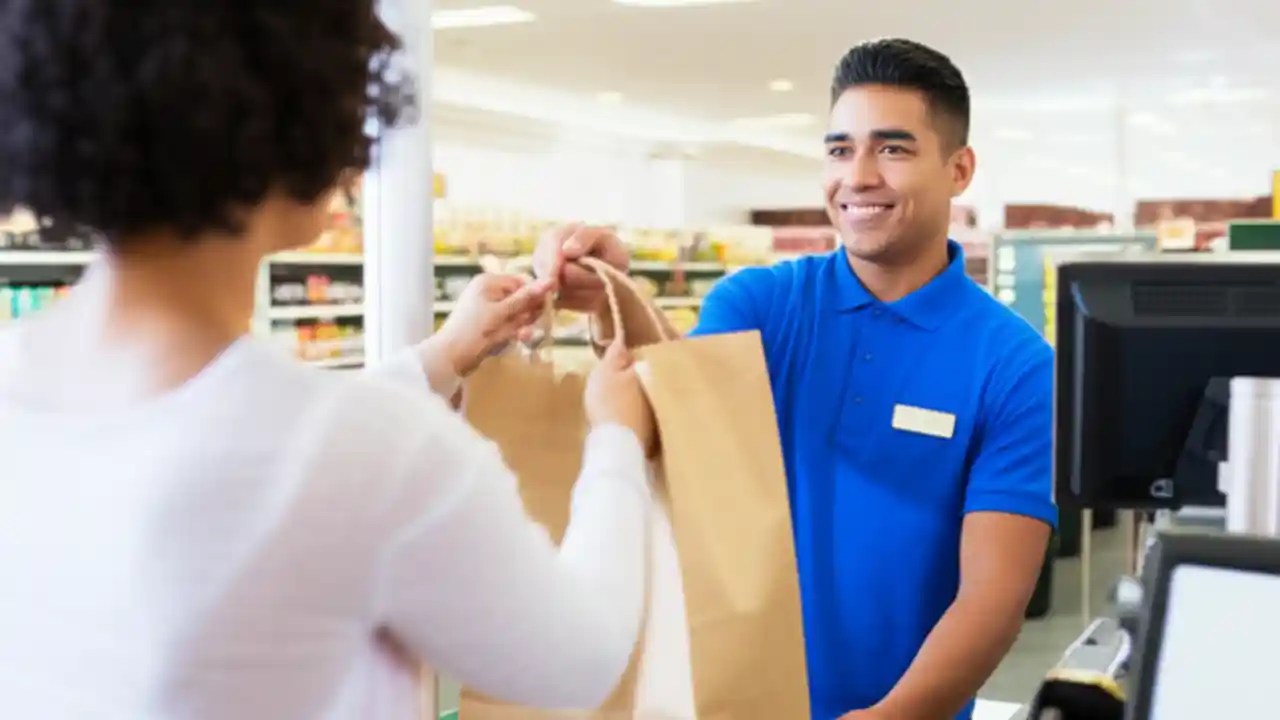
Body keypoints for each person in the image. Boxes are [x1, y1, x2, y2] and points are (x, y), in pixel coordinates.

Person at [0, 3, 655, 719]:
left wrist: (442, 357)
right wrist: (616, 442)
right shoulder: (364, 451)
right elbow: (578, 661)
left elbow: (233, 440)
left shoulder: (20, 377)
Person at [536, 38, 1056, 720]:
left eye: (892, 149)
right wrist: (612, 295)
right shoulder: (760, 304)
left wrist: (891, 717)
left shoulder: (1014, 364)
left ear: (959, 169)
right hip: (726, 701)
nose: (858, 175)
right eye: (840, 149)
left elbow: (993, 597)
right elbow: (672, 424)